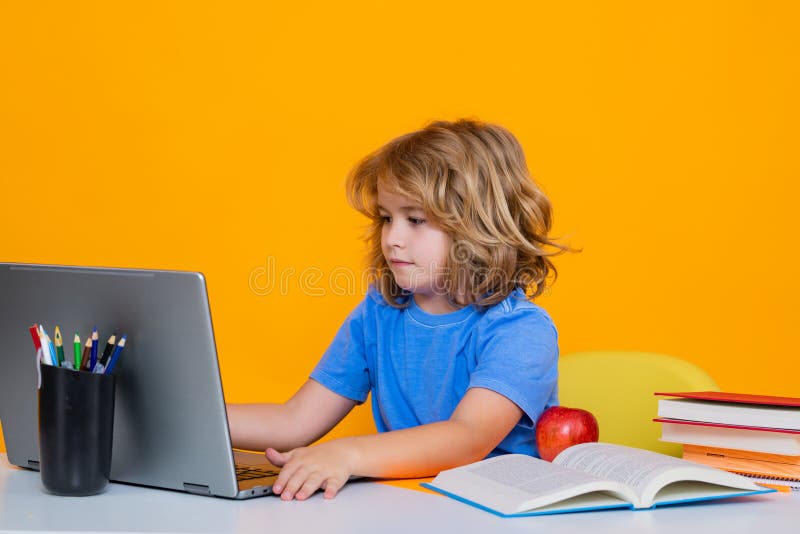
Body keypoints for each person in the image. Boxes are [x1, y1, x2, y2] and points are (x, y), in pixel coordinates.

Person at [227, 119, 572, 501]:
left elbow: (468, 438)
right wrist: (185, 418)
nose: (392, 238)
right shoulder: (380, 310)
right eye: (387, 218)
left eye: (416, 219)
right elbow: (293, 421)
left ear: (478, 226)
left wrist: (349, 452)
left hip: (494, 511)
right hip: (403, 506)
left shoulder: (519, 328)